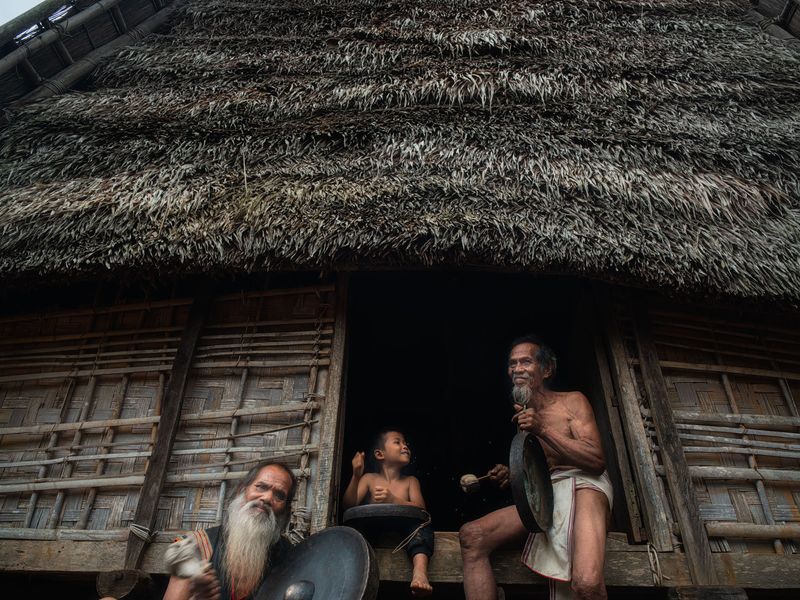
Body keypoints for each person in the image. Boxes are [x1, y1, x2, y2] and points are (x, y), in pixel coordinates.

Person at [459, 335, 613, 600]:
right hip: (546, 493)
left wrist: (542, 428)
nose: (517, 369)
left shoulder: (572, 401)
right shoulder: (522, 417)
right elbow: (541, 468)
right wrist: (512, 473)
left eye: (526, 362)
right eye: (512, 364)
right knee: (472, 536)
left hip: (585, 484)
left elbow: (595, 460)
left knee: (587, 584)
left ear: (547, 369)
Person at [163, 460, 296, 600]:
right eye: (261, 487)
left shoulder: (289, 557)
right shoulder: (198, 547)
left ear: (285, 510)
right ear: (242, 490)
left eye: (280, 495)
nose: (268, 497)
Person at [343, 429, 434, 597]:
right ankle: (353, 574)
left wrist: (393, 500)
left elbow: (422, 509)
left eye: (405, 443)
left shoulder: (410, 481)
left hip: (406, 527)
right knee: (355, 531)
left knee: (422, 528)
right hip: (372, 526)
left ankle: (420, 572)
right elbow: (349, 505)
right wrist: (356, 476)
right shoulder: (369, 478)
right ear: (380, 454)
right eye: (397, 442)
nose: (405, 446)